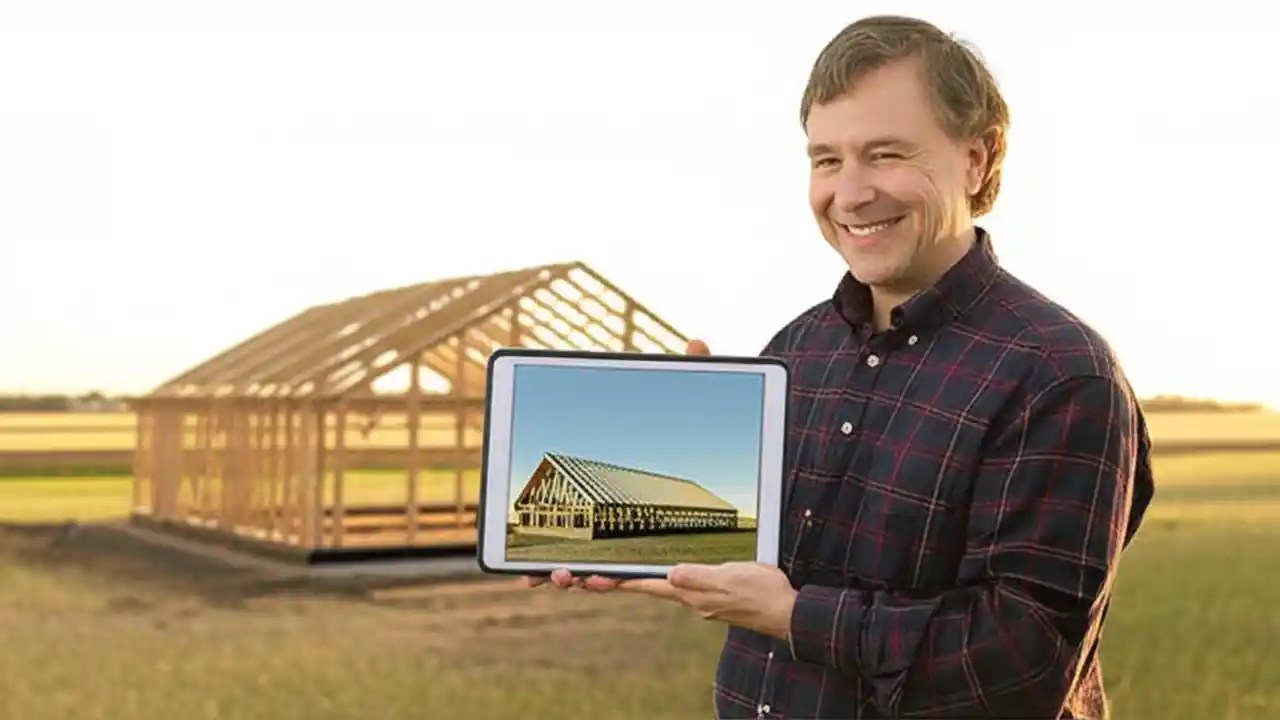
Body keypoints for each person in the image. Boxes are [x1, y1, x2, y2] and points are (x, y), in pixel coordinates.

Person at [524, 14, 1154, 720]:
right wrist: (641, 507)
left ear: (977, 157)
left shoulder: (1058, 373)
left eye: (885, 154)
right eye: (827, 160)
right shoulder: (791, 353)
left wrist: (797, 617)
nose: (849, 194)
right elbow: (742, 556)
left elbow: (1018, 660)